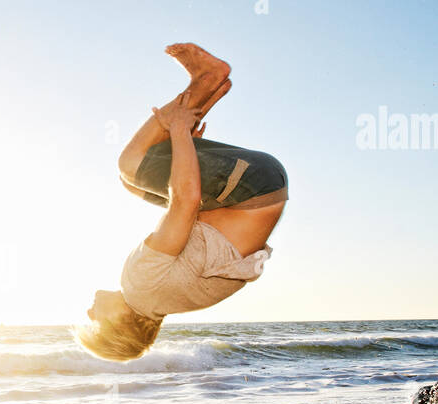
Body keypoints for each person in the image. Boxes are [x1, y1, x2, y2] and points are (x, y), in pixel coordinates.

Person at [75, 43, 288, 361]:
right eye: (94, 321)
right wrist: (180, 133)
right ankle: (207, 79)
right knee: (131, 165)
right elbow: (186, 201)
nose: (89, 313)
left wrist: (186, 149)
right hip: (251, 184)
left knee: (133, 185)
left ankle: (212, 90)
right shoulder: (139, 284)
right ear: (118, 322)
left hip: (265, 188)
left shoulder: (165, 300)